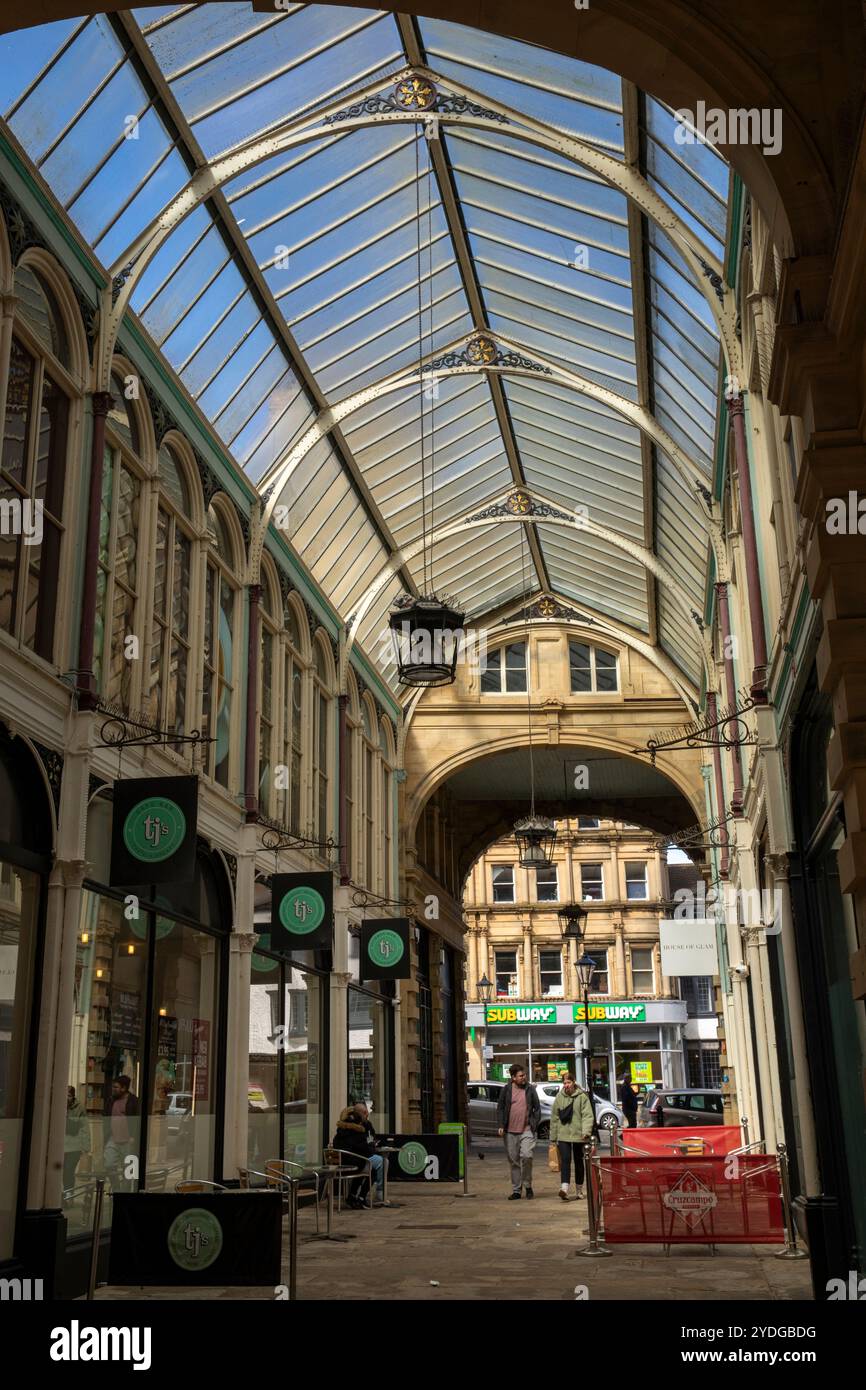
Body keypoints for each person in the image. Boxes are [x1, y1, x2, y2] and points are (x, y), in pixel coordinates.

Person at [331, 1102, 391, 1208]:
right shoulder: (357, 1131)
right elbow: (363, 1149)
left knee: (369, 1164)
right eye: (365, 1112)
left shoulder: (340, 1131)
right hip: (354, 1163)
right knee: (374, 1167)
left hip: (342, 1164)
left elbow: (339, 1145)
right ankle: (362, 1196)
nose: (367, 1114)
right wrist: (372, 1148)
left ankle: (353, 1196)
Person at [496, 1063, 541, 1199]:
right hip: (510, 1131)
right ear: (513, 1077)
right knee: (514, 1161)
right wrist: (501, 1125)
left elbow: (537, 1108)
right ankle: (516, 1190)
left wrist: (534, 1123)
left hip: (527, 1129)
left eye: (524, 1075)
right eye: (521, 1075)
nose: (524, 1077)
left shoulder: (530, 1089)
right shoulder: (506, 1090)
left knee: (527, 1156)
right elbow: (501, 1108)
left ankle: (527, 1185)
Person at [549, 1074, 594, 1201]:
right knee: (565, 1160)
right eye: (564, 1083)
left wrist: (586, 1131)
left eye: (568, 1082)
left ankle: (579, 1190)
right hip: (563, 1136)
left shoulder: (582, 1097)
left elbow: (587, 1116)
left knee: (579, 1162)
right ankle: (564, 1189)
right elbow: (554, 1118)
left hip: (579, 1135)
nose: (566, 1085)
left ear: (574, 1082)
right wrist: (553, 1138)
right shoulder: (559, 1097)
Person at [103, 1075, 139, 1183]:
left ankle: (125, 1192)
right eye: (113, 1087)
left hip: (128, 1140)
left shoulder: (133, 1101)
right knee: (108, 1165)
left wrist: (134, 1137)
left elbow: (138, 1120)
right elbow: (106, 1118)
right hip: (113, 1139)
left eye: (116, 1087)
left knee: (128, 1170)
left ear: (124, 1088)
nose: (113, 1089)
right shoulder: (110, 1100)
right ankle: (116, 1188)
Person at [63, 1086, 90, 1194]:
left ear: (73, 1097)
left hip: (75, 1146)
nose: (66, 1098)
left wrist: (86, 1147)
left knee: (69, 1170)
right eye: (64, 1095)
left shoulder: (80, 1108)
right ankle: (65, 1193)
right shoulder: (58, 1105)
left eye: (69, 1096)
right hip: (61, 1146)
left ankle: (69, 1194)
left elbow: (85, 1128)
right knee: (63, 1172)